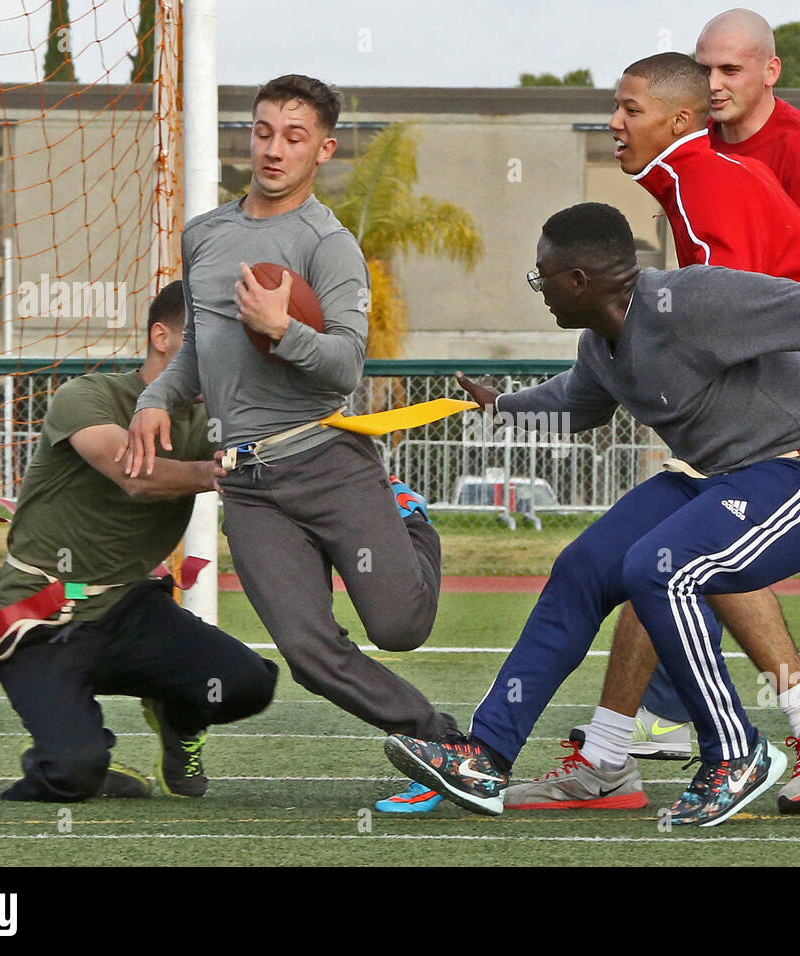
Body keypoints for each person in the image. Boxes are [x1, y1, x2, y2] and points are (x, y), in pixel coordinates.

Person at [384, 201, 800, 826]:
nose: (539, 290)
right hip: (720, 478)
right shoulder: (601, 345)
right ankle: (487, 754)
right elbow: (577, 404)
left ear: (577, 279)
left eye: (541, 277)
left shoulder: (696, 298)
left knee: (661, 567)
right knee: (585, 565)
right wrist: (504, 407)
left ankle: (735, 753)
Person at [120, 75, 461, 773]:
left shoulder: (327, 245)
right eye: (265, 131)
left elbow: (345, 367)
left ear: (323, 150)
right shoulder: (205, 235)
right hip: (245, 481)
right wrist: (156, 399)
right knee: (308, 653)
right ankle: (439, 735)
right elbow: (198, 348)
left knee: (399, 628)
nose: (274, 149)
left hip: (328, 463)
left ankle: (410, 518)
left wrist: (280, 332)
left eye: (295, 137)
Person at [0, 281, 279, 802]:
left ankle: (175, 715)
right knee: (71, 773)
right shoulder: (88, 396)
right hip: (43, 615)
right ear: (161, 337)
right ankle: (81, 760)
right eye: (208, 338)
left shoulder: (220, 418)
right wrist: (220, 472)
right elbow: (137, 475)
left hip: (130, 607)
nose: (224, 354)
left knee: (247, 682)